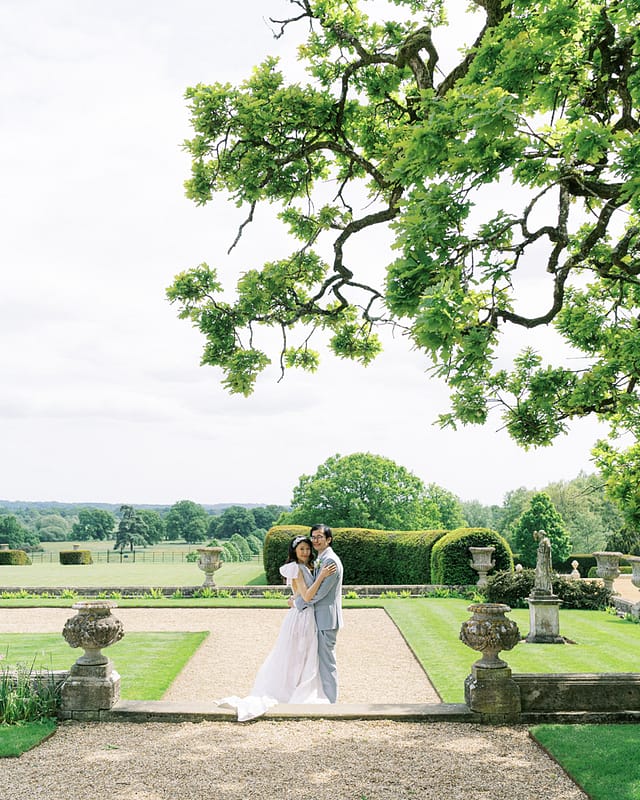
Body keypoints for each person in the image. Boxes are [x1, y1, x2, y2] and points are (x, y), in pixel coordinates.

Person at [217, 534, 336, 721]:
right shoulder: (296, 568)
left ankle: (299, 684)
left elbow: (300, 597)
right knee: (295, 653)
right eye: (301, 549)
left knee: (305, 654)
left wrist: (297, 596)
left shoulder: (309, 565)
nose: (305, 552)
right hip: (301, 618)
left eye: (307, 548)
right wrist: (321, 577)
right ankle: (290, 688)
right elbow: (305, 597)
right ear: (295, 551)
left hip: (308, 616)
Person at [294, 523, 343, 703]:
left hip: (326, 619)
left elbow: (320, 593)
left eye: (319, 537)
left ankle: (331, 703)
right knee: (318, 661)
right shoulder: (321, 559)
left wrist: (298, 602)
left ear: (328, 539)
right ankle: (323, 697)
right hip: (320, 618)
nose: (315, 540)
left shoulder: (330, 562)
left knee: (327, 663)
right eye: (313, 537)